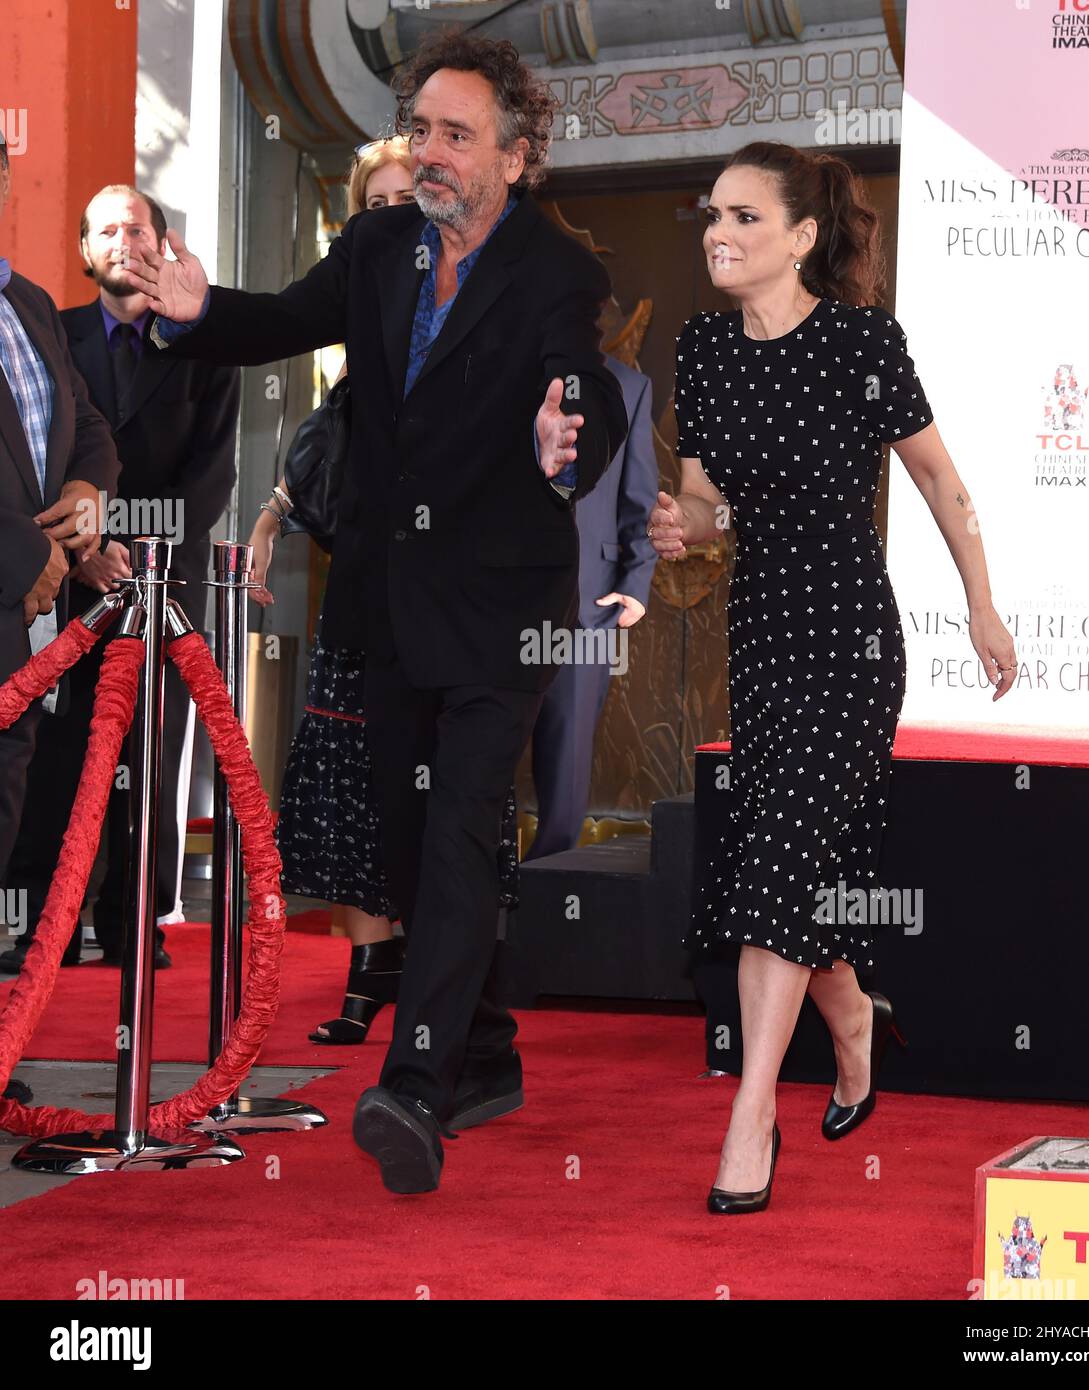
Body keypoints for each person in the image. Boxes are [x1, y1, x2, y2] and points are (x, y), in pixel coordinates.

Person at [123, 30, 628, 1193]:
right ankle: (487, 1046)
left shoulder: (555, 269)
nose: (432, 153)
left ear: (515, 154)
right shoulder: (379, 242)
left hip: (502, 606)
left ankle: (415, 1081)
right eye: (422, 131)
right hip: (388, 603)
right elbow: (284, 318)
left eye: (457, 135)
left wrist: (571, 439)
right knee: (406, 851)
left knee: (455, 828)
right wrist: (203, 310)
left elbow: (581, 388)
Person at [649, 141, 1016, 1214]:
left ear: (802, 237)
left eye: (745, 217)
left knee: (772, 864)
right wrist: (685, 529)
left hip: (851, 642)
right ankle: (851, 1018)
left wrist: (980, 602)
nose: (719, 231)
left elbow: (941, 483)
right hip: (758, 635)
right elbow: (708, 504)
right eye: (712, 213)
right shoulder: (704, 348)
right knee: (790, 862)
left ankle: (748, 1116)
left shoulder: (861, 342)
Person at [248, 137, 519, 1045]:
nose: (396, 216)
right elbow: (325, 441)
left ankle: (450, 985)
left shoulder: (476, 316)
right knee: (348, 783)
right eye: (378, 203)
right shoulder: (357, 325)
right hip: (361, 594)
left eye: (413, 197)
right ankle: (369, 975)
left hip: (455, 607)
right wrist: (273, 511)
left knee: (444, 797)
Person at [1, 185, 238, 975]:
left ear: (161, 241)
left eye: (135, 226)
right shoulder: (52, 327)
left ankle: (137, 924)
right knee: (59, 750)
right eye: (103, 227)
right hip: (66, 579)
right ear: (83, 250)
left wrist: (137, 546)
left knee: (152, 747)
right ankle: (48, 925)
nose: (120, 238)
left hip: (164, 581)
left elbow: (212, 475)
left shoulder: (204, 345)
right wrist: (83, 548)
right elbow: (57, 453)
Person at [0, 129, 121, 1070]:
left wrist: (85, 500)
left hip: (23, 627)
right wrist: (24, 555)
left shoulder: (31, 302)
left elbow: (87, 425)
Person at [523, 350, 657, 861]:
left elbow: (639, 499)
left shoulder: (629, 385)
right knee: (478, 765)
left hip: (590, 607)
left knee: (566, 773)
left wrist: (635, 585)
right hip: (497, 602)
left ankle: (543, 910)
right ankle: (478, 910)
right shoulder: (504, 365)